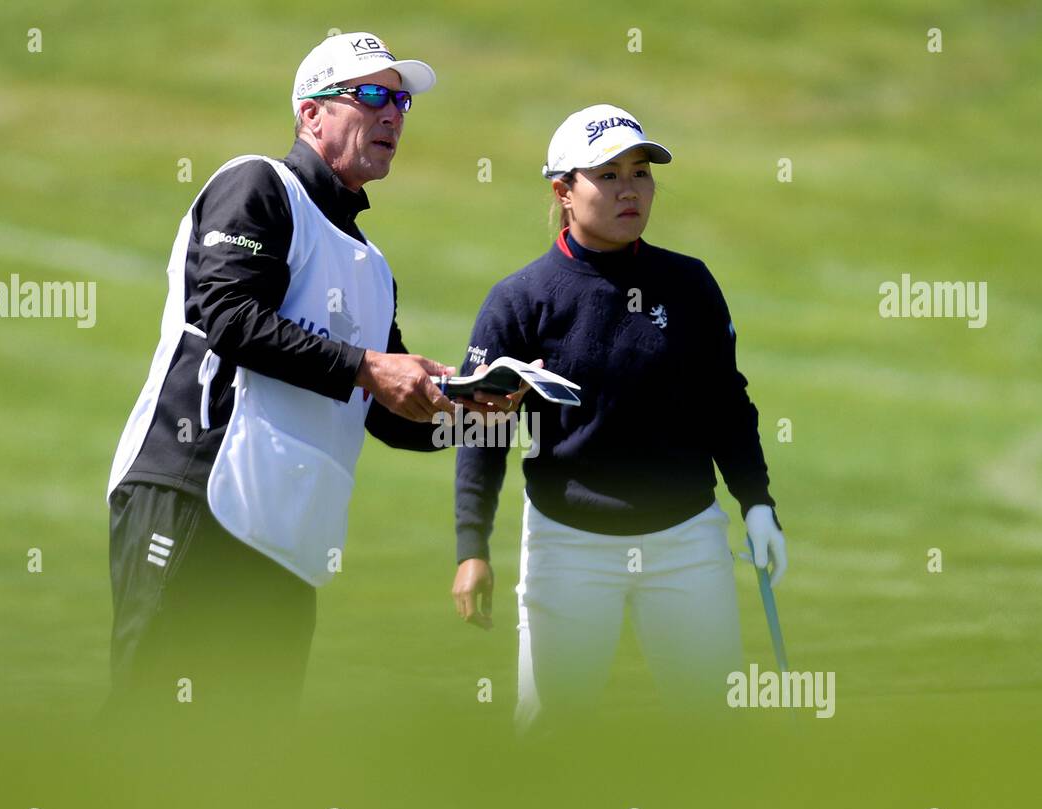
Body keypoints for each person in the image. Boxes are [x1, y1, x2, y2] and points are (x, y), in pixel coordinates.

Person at [101, 31, 505, 736]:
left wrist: (482, 411)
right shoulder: (257, 184)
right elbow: (229, 318)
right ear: (311, 114)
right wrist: (368, 367)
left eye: (402, 101)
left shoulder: (373, 267)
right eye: (372, 95)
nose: (393, 115)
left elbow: (386, 413)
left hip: (285, 539)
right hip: (192, 493)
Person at [451, 105, 789, 735]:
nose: (630, 189)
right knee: (550, 727)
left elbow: (726, 401)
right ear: (563, 190)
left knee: (713, 724)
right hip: (568, 543)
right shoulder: (521, 300)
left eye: (640, 172)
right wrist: (472, 545)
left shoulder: (688, 284)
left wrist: (757, 502)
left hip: (686, 539)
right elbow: (482, 425)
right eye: (606, 175)